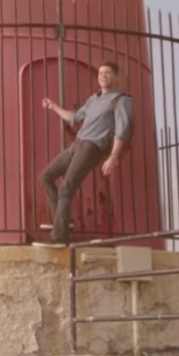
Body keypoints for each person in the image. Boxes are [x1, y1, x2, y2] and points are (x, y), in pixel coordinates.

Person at [34, 62, 133, 247]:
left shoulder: (121, 100)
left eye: (107, 73)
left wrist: (113, 156)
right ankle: (62, 223)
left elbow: (122, 131)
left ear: (116, 77)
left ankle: (59, 238)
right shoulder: (93, 99)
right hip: (77, 145)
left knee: (66, 187)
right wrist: (53, 106)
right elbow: (73, 117)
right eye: (100, 73)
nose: (103, 76)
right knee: (46, 176)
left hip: (92, 148)